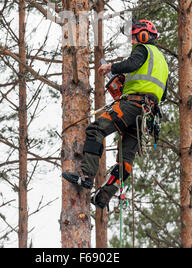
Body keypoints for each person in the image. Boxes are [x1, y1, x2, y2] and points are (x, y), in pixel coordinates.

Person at [62, 19, 169, 209]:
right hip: (146, 116)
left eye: (134, 36)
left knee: (96, 129)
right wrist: (125, 83)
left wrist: (111, 67)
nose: (133, 41)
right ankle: (103, 196)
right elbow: (162, 93)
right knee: (126, 159)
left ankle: (86, 176)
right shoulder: (163, 63)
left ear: (144, 35)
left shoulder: (143, 49)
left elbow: (132, 63)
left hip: (134, 105)